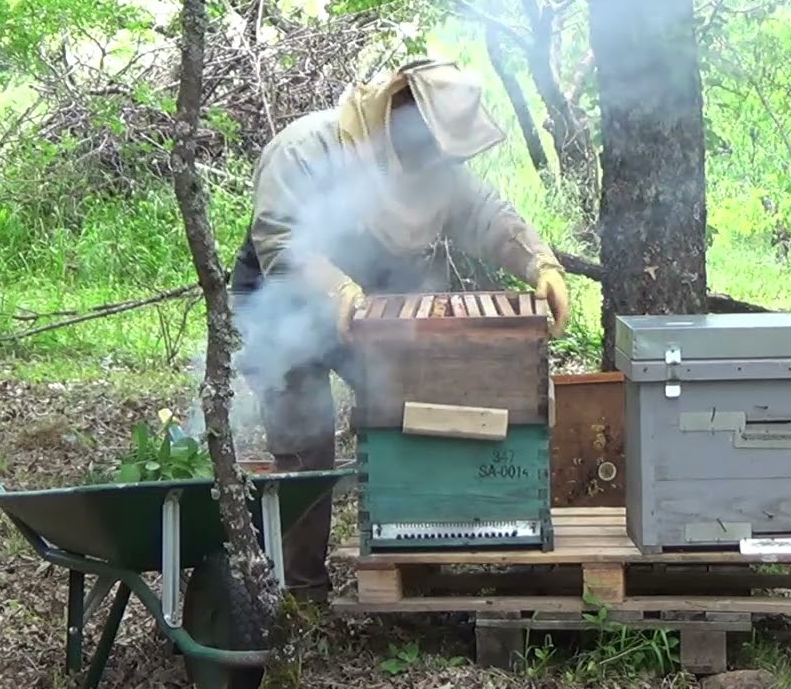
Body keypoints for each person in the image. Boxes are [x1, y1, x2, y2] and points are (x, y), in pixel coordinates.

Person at [227, 58, 571, 602]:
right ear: (398, 115)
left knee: (410, 410)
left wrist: (540, 263)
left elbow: (484, 212)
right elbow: (279, 243)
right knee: (303, 441)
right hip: (284, 298)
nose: (431, 158)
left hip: (373, 305)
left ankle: (414, 552)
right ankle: (301, 593)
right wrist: (337, 289)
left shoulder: (434, 169)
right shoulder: (305, 149)